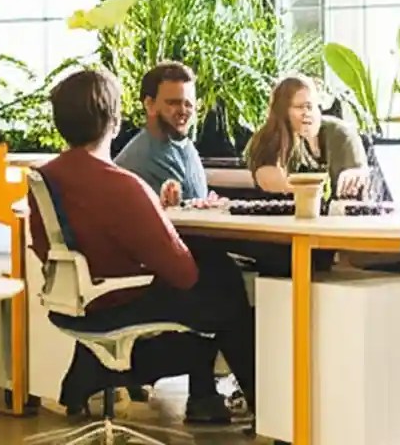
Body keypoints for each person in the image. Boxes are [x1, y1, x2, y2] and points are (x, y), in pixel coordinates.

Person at [27, 69, 254, 424]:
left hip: (80, 304)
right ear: (114, 121)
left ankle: (204, 398)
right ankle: (262, 406)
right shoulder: (123, 186)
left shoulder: (45, 178)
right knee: (221, 279)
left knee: (214, 282)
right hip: (123, 304)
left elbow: (45, 249)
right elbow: (182, 273)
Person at [244, 74, 368, 199]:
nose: (306, 113)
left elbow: (360, 175)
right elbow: (265, 178)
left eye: (310, 106)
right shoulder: (269, 139)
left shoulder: (341, 134)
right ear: (283, 112)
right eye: (300, 107)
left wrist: (355, 176)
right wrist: (300, 187)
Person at [114, 61, 215, 208]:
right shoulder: (136, 164)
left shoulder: (185, 147)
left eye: (188, 104)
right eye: (173, 103)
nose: (183, 111)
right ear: (150, 104)